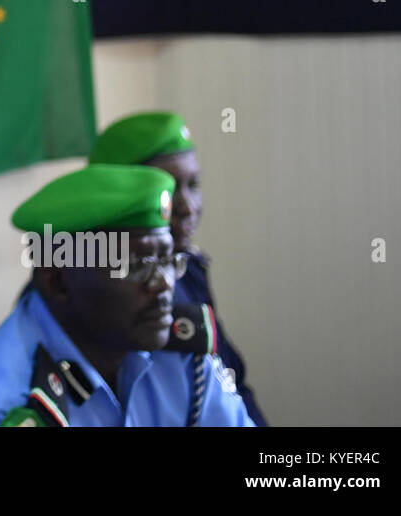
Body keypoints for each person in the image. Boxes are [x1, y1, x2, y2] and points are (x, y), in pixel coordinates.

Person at [0, 165, 254, 426]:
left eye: (168, 260)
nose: (163, 284)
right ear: (58, 280)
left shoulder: (181, 354)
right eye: (135, 265)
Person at [89, 111, 268, 426]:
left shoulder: (190, 270)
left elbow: (230, 379)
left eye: (194, 184)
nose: (187, 207)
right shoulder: (83, 290)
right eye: (168, 192)